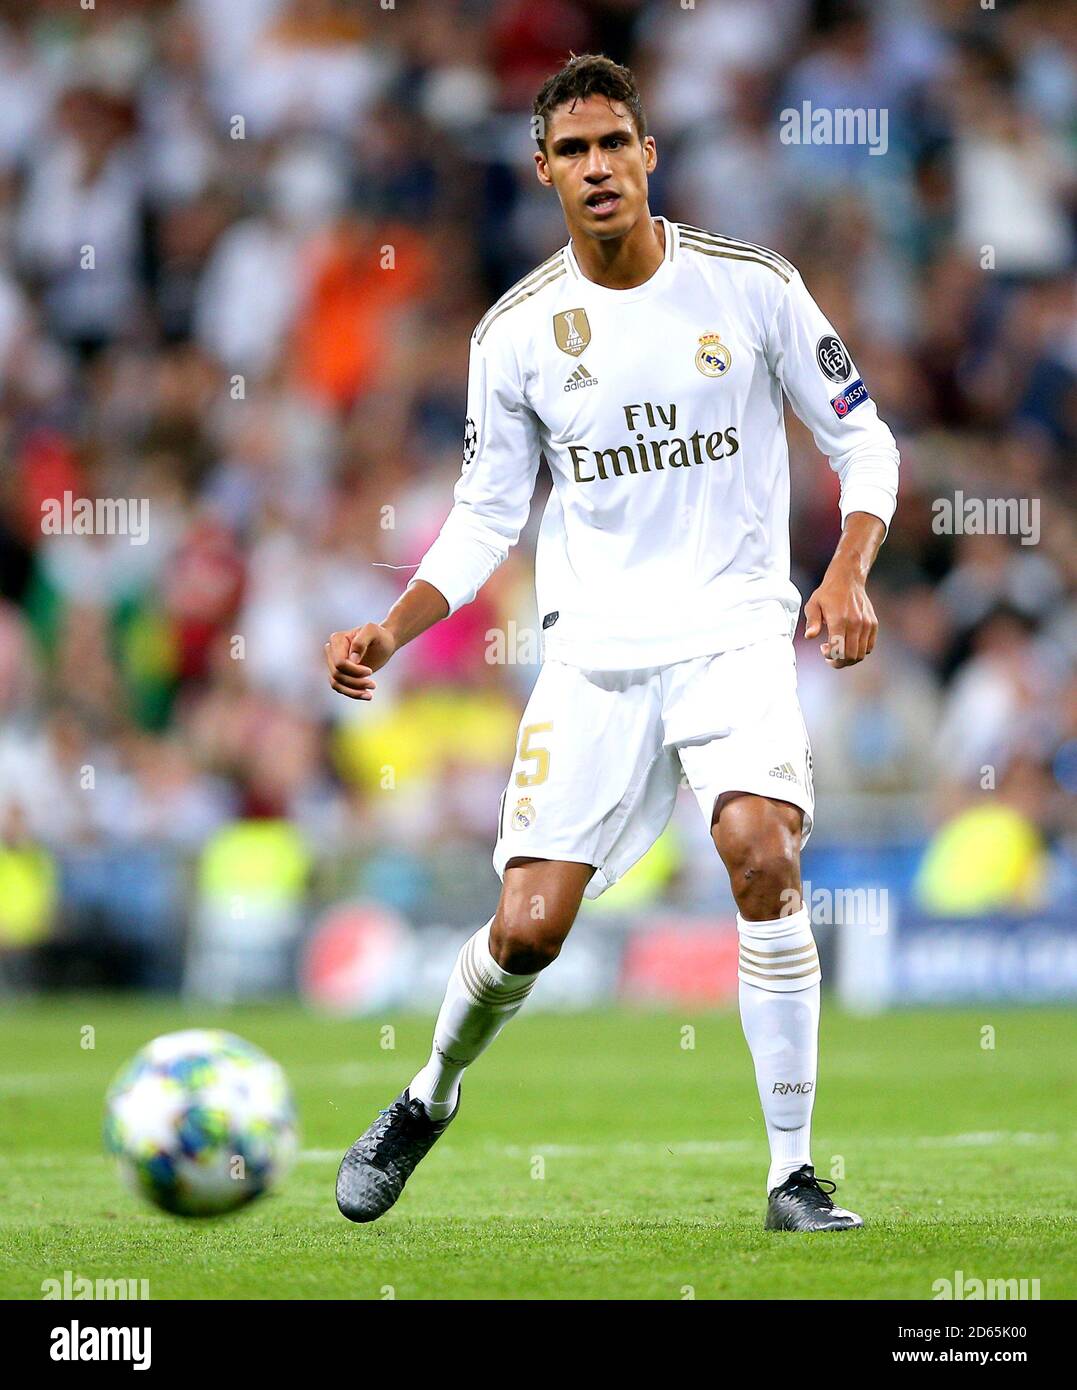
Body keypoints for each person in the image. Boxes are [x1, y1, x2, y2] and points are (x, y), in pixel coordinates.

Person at [326, 54, 898, 1233]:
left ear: (651, 155)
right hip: (593, 654)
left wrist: (845, 571)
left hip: (736, 633)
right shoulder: (518, 334)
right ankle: (429, 1093)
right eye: (573, 151)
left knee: (758, 850)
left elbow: (866, 444)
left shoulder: (751, 288)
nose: (597, 167)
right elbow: (487, 513)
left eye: (614, 144)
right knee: (529, 928)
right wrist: (392, 627)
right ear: (542, 171)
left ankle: (792, 1172)